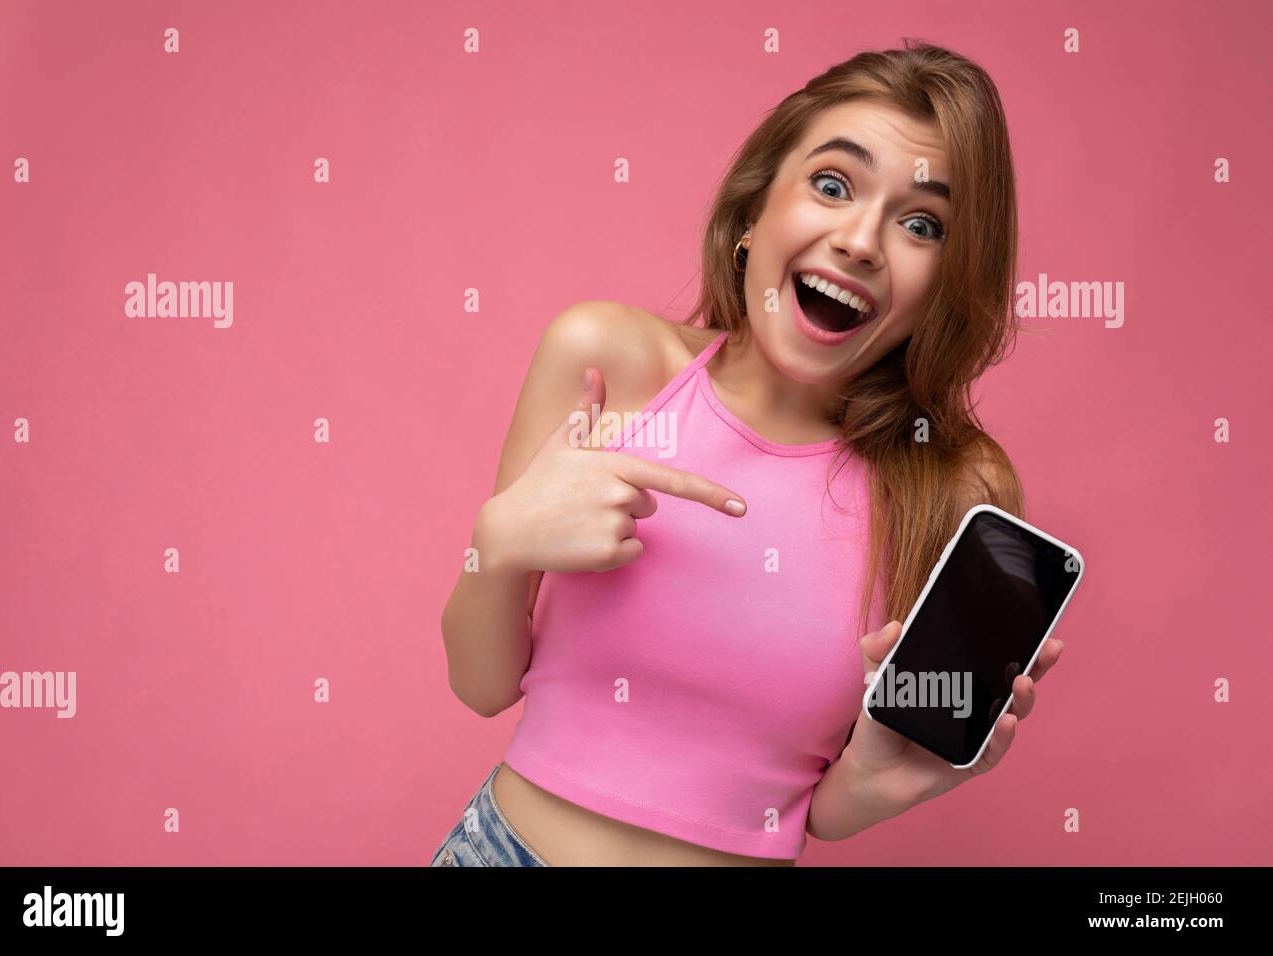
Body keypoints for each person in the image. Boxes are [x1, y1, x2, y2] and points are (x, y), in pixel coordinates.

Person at [433, 39, 1065, 867]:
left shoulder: (954, 484)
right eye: (832, 184)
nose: (861, 241)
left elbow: (819, 812)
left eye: (922, 224)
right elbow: (481, 687)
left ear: (947, 282)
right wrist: (500, 541)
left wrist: (876, 778)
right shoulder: (607, 360)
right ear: (754, 210)